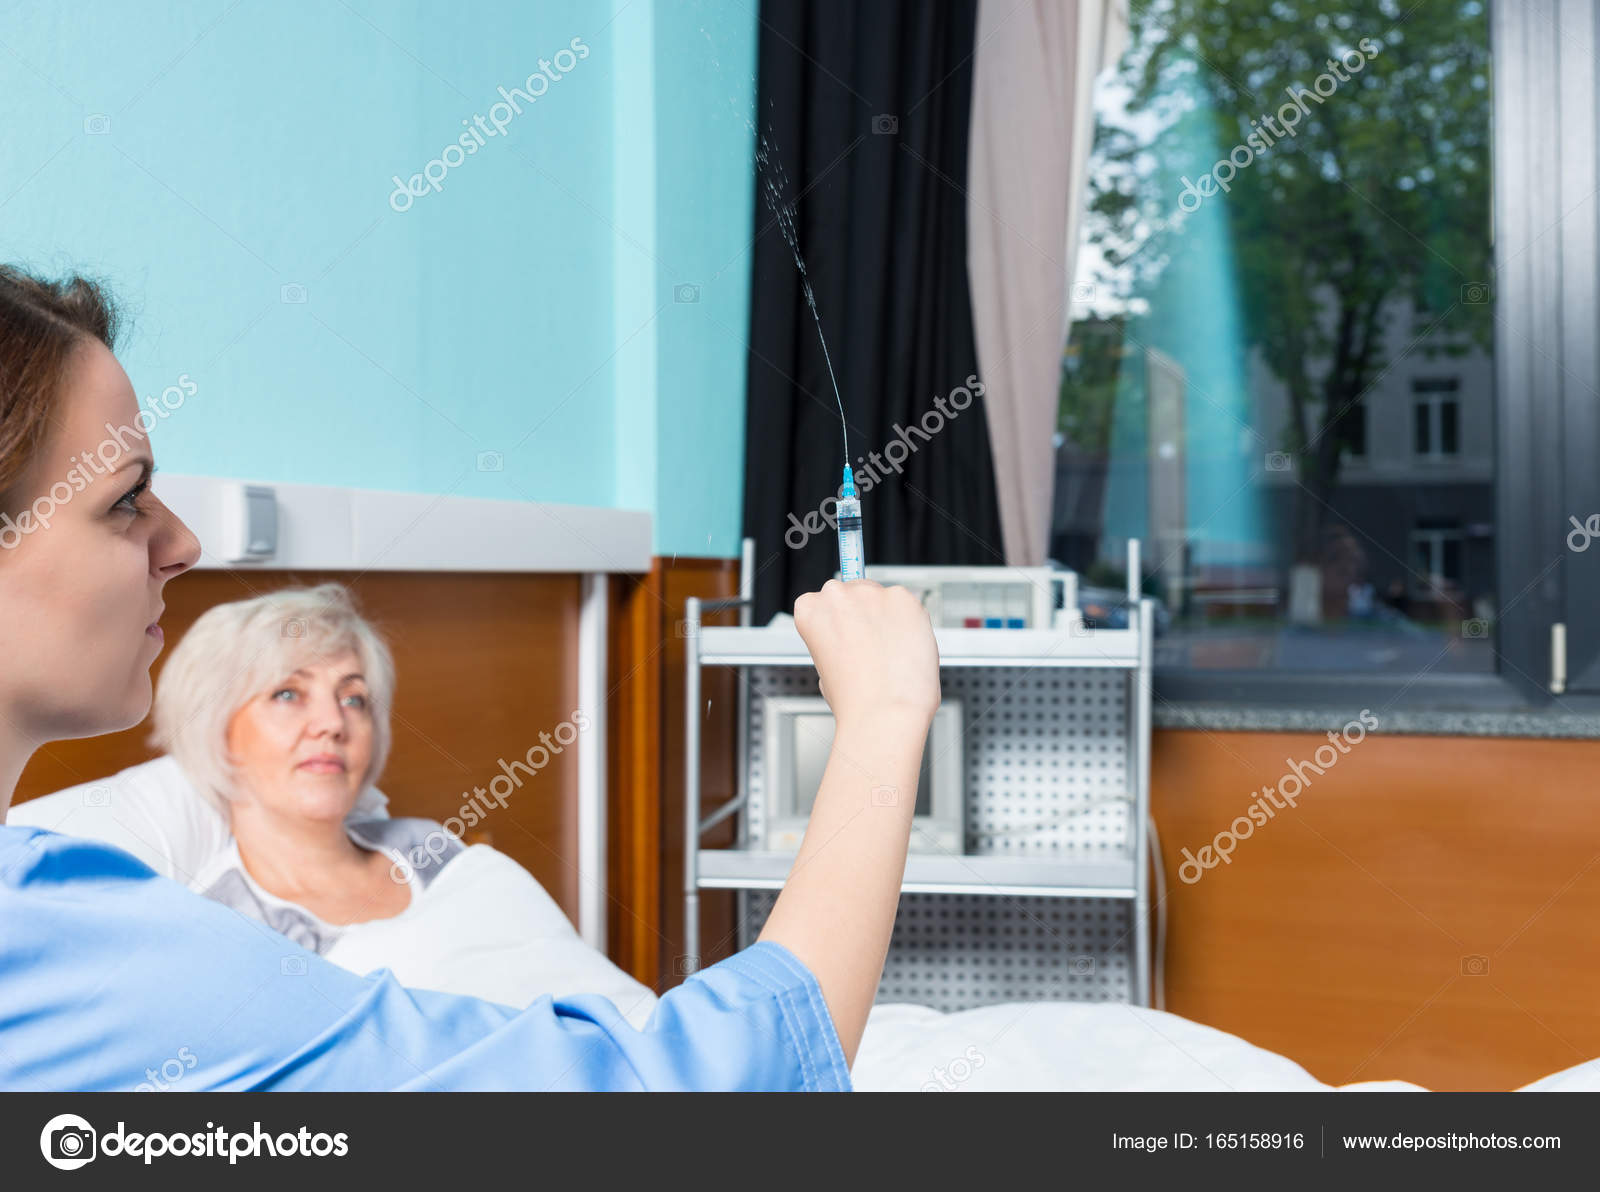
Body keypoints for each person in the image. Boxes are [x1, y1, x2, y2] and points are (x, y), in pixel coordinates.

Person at [0, 265, 941, 1090]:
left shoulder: (457, 875)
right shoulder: (100, 954)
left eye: (353, 696)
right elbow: (697, 1099)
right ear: (215, 730)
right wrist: (884, 719)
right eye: (124, 499)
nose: (183, 542)